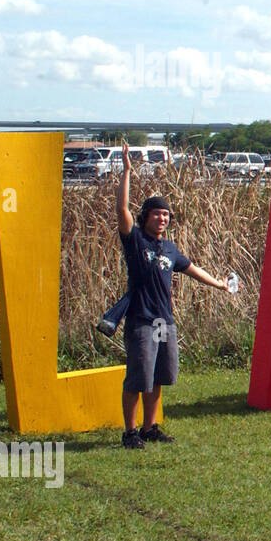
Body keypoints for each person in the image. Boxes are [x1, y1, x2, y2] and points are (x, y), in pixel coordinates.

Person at [115, 142, 232, 449]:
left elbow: (192, 269)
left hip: (165, 321)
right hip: (141, 320)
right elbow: (122, 210)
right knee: (138, 378)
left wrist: (218, 284)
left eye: (166, 215)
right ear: (146, 217)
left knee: (158, 377)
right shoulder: (136, 240)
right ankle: (130, 432)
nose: (162, 219)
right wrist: (127, 171)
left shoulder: (170, 248)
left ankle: (150, 427)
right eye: (157, 214)